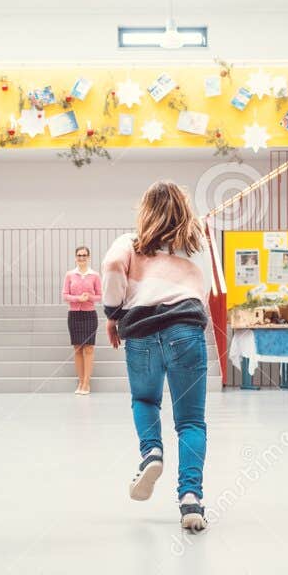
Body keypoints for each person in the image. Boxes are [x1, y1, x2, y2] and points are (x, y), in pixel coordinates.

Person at [102, 181, 212, 533]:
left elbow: (111, 267)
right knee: (191, 422)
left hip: (141, 331)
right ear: (184, 209)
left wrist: (113, 314)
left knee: (145, 399)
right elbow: (205, 289)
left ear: (145, 210)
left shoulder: (129, 242)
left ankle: (151, 453)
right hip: (186, 329)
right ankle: (190, 499)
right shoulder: (197, 246)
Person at [63, 245, 102, 394]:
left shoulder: (95, 275)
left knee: (89, 348)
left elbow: (99, 296)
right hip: (74, 315)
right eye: (79, 255)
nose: (82, 258)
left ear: (88, 257)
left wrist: (89, 297)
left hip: (89, 314)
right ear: (76, 257)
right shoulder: (70, 275)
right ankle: (80, 382)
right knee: (78, 348)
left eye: (84, 255)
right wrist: (78, 298)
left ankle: (86, 383)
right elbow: (65, 295)